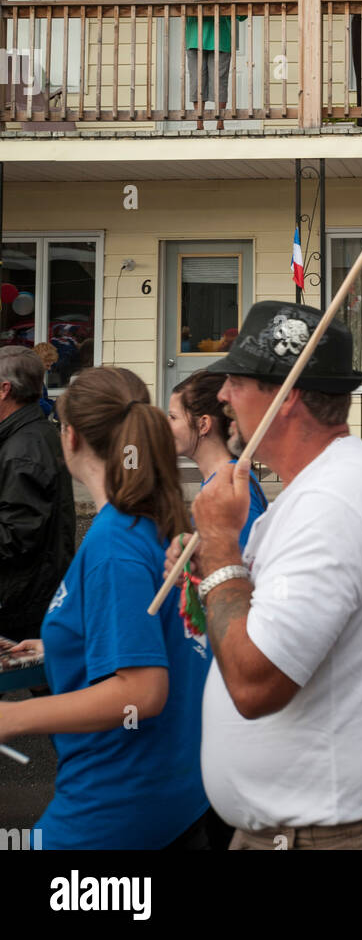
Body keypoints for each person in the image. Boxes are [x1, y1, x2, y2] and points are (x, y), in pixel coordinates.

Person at [167, 301, 362, 850]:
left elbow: (256, 684)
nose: (223, 396)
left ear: (285, 397)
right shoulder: (318, 488)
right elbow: (264, 617)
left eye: (236, 381)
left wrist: (219, 549)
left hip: (335, 836)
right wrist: (208, 573)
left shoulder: (331, 504)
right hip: (307, 829)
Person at [0, 366, 210, 850]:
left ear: (71, 436)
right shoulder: (155, 519)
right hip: (173, 793)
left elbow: (142, 691)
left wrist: (13, 718)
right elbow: (155, 636)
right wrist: (64, 646)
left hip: (115, 805)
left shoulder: (116, 543)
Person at [0, 347, 74, 643]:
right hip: (29, 595)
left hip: (21, 604)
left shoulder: (23, 449)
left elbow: (14, 538)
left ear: (5, 389)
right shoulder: (25, 433)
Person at [167, 369, 268, 551]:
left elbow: (239, 562)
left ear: (203, 424)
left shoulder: (231, 488)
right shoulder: (220, 481)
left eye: (173, 417)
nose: (166, 424)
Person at [174, 0, 246, 131]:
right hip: (195, 41)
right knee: (197, 82)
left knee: (219, 81)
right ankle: (199, 123)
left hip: (221, 41)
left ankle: (220, 122)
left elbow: (243, 13)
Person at [33, 340, 59, 420]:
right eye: (47, 365)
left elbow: (45, 399)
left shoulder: (36, 377)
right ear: (38, 361)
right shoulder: (29, 377)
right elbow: (38, 402)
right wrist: (56, 413)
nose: (49, 369)